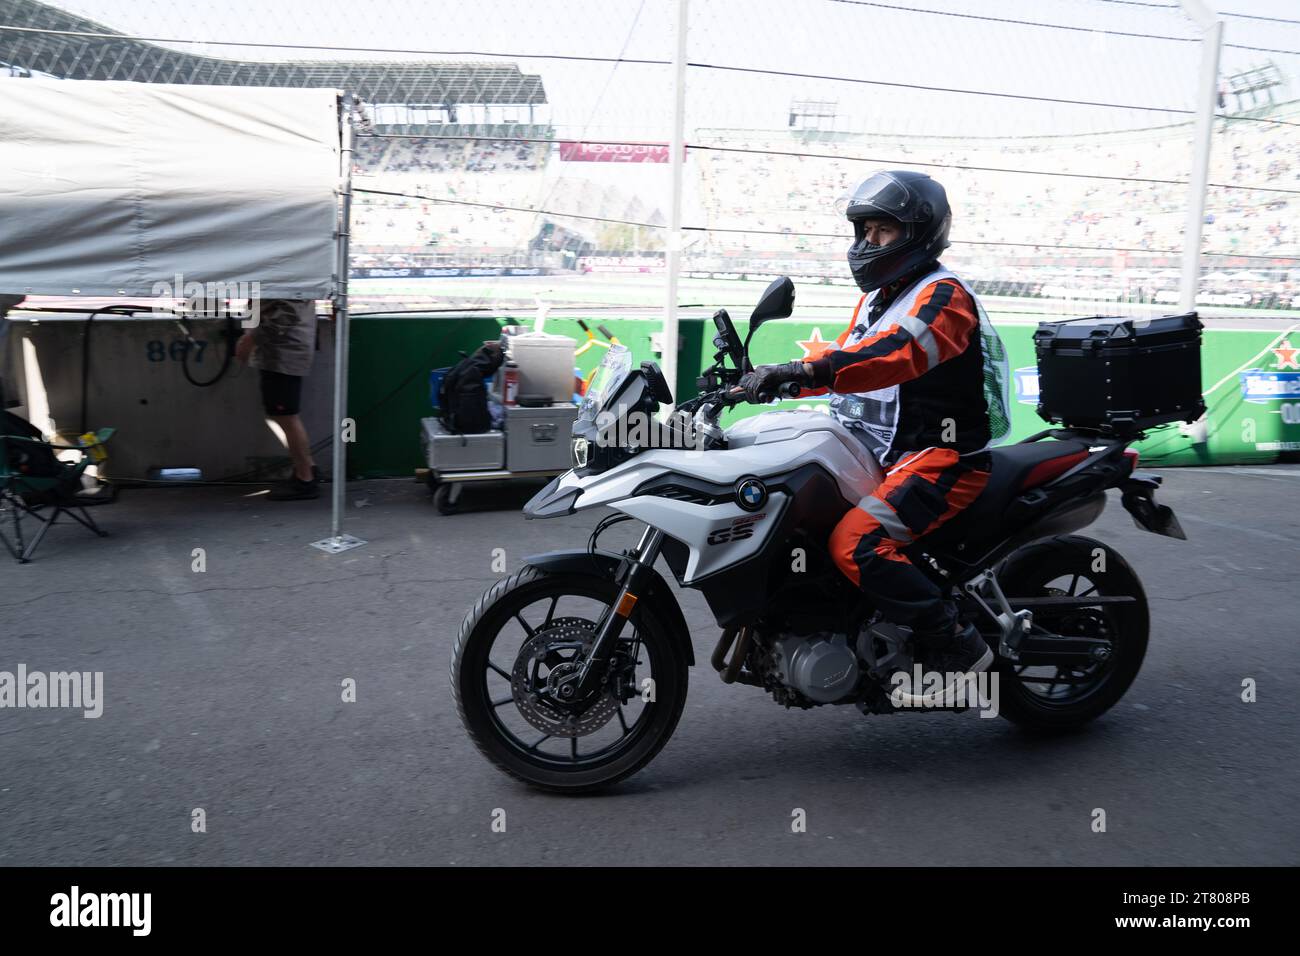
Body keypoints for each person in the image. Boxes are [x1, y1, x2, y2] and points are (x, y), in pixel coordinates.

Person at [739, 170, 1009, 704]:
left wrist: (805, 372)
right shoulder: (878, 299)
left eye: (881, 231)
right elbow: (843, 360)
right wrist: (770, 379)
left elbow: (890, 356)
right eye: (862, 231)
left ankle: (957, 642)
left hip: (938, 460)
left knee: (855, 542)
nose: (866, 244)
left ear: (918, 232)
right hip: (880, 453)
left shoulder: (943, 297)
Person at [235, 299, 321, 501]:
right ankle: (308, 469)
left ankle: (305, 479)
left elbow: (288, 313)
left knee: (286, 417)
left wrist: (250, 339)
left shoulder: (290, 273)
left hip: (282, 354)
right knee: (284, 415)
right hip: (280, 352)